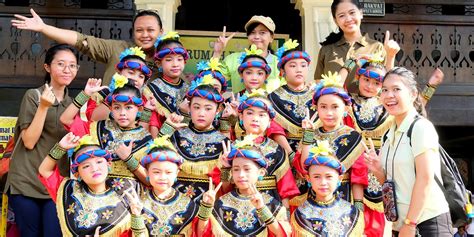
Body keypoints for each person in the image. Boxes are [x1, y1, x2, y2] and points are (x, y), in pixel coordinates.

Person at [365, 67, 453, 236]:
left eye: (396, 89)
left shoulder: (420, 127)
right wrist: (379, 171)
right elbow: (394, 184)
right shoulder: (388, 134)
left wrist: (410, 223)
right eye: (384, 90)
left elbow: (425, 178)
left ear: (413, 94)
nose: (389, 95)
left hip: (426, 223)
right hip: (401, 225)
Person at [4, 44, 78, 236]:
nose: (67, 70)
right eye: (60, 64)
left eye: (72, 65)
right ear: (47, 67)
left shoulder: (73, 104)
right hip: (26, 180)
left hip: (55, 183)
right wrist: (43, 107)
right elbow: (29, 141)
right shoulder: (33, 96)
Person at [12, 8, 164, 84]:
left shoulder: (168, 59)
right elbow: (81, 40)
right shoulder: (117, 48)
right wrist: (44, 28)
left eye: (150, 30)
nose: (145, 35)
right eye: (139, 30)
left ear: (161, 32)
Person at [38, 133, 136, 236]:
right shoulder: (69, 191)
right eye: (86, 166)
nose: (94, 169)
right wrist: (61, 147)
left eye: (99, 162)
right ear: (77, 174)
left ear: (108, 164)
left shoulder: (127, 191)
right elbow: (45, 171)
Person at [295, 71, 366, 207]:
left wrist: (358, 203)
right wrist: (308, 135)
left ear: (345, 109)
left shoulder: (353, 137)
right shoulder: (311, 134)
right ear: (316, 108)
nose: (329, 113)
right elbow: (304, 167)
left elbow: (359, 174)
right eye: (323, 107)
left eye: (335, 107)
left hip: (344, 194)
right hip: (314, 194)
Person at [197, 137, 291, 236]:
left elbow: (283, 234)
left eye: (247, 169)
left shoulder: (272, 204)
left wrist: (262, 209)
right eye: (236, 169)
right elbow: (201, 234)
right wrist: (206, 208)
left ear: (261, 172)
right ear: (231, 172)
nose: (241, 175)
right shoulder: (221, 203)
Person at [224, 93, 300, 207]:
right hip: (237, 205)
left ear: (270, 121)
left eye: (261, 115)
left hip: (270, 205)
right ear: (241, 117)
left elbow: (286, 188)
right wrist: (225, 169)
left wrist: (285, 217)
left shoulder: (277, 150)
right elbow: (225, 188)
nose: (255, 118)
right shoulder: (231, 148)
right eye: (249, 113)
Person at [158, 79, 229, 201]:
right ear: (189, 108)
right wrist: (165, 131)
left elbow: (226, 187)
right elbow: (156, 163)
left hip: (207, 203)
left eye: (208, 109)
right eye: (196, 107)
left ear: (218, 110)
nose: (201, 113)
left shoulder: (224, 143)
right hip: (173, 201)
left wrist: (226, 169)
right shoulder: (176, 135)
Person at [59, 46, 156, 135]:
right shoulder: (104, 93)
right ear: (119, 72)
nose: (135, 78)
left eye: (141, 76)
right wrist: (86, 94)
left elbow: (143, 134)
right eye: (131, 73)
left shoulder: (146, 101)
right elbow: (93, 119)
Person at [126, 135, 203, 236]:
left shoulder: (188, 206)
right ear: (147, 172)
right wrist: (136, 216)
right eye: (156, 172)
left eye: (168, 172)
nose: (162, 177)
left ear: (176, 173)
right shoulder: (138, 202)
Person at [314, 0, 394, 93]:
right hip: (335, 106)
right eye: (342, 15)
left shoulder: (376, 47)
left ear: (361, 13)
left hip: (367, 106)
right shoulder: (327, 49)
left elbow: (387, 82)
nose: (348, 19)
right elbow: (319, 84)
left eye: (352, 13)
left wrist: (391, 55)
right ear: (335, 21)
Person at [291, 140, 364, 236]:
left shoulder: (352, 213)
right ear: (308, 179)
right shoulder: (301, 215)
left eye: (328, 176)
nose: (323, 182)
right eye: (317, 177)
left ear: (339, 178)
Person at [267, 39, 315, 167]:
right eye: (293, 66)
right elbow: (274, 129)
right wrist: (290, 154)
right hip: (285, 152)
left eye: (303, 65)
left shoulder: (318, 95)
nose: (299, 69)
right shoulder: (273, 97)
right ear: (282, 72)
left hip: (315, 151)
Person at [212, 15, 282, 93]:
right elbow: (212, 80)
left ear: (272, 37)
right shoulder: (233, 59)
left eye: (262, 33)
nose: (256, 36)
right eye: (252, 32)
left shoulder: (279, 63)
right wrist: (217, 52)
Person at [143, 32, 190, 137]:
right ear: (159, 63)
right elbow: (150, 125)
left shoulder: (189, 89)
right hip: (160, 138)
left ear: (185, 62)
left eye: (179, 59)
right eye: (169, 60)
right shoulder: (151, 91)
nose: (175, 64)